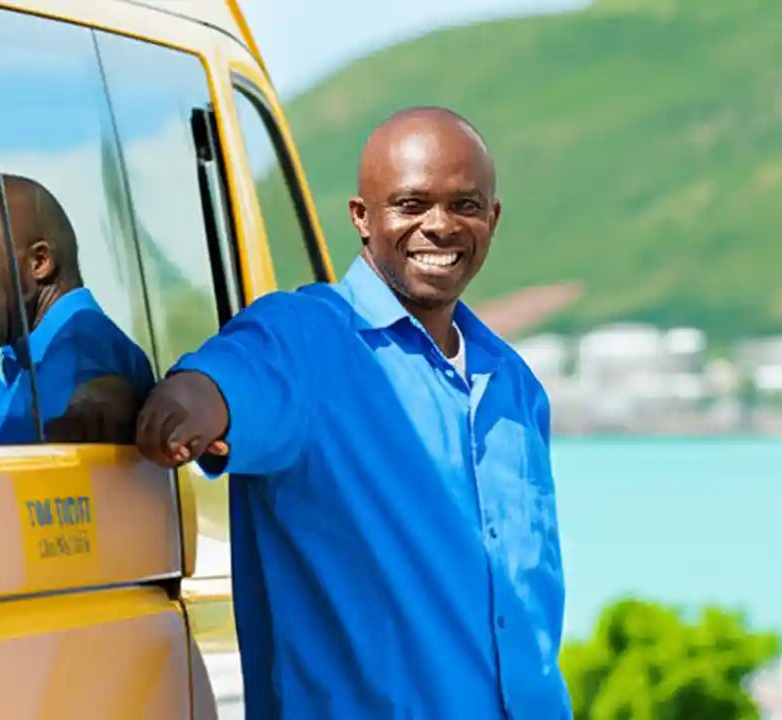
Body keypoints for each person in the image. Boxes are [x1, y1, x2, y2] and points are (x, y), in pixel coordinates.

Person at [135, 107, 570, 718]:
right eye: (412, 204)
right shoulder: (303, 339)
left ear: (492, 218)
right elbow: (223, 382)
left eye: (465, 206)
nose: (440, 226)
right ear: (362, 217)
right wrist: (187, 406)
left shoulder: (514, 385)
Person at [0, 173, 154, 445]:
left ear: (39, 262)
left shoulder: (82, 348)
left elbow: (102, 397)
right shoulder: (18, 359)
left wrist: (99, 403)